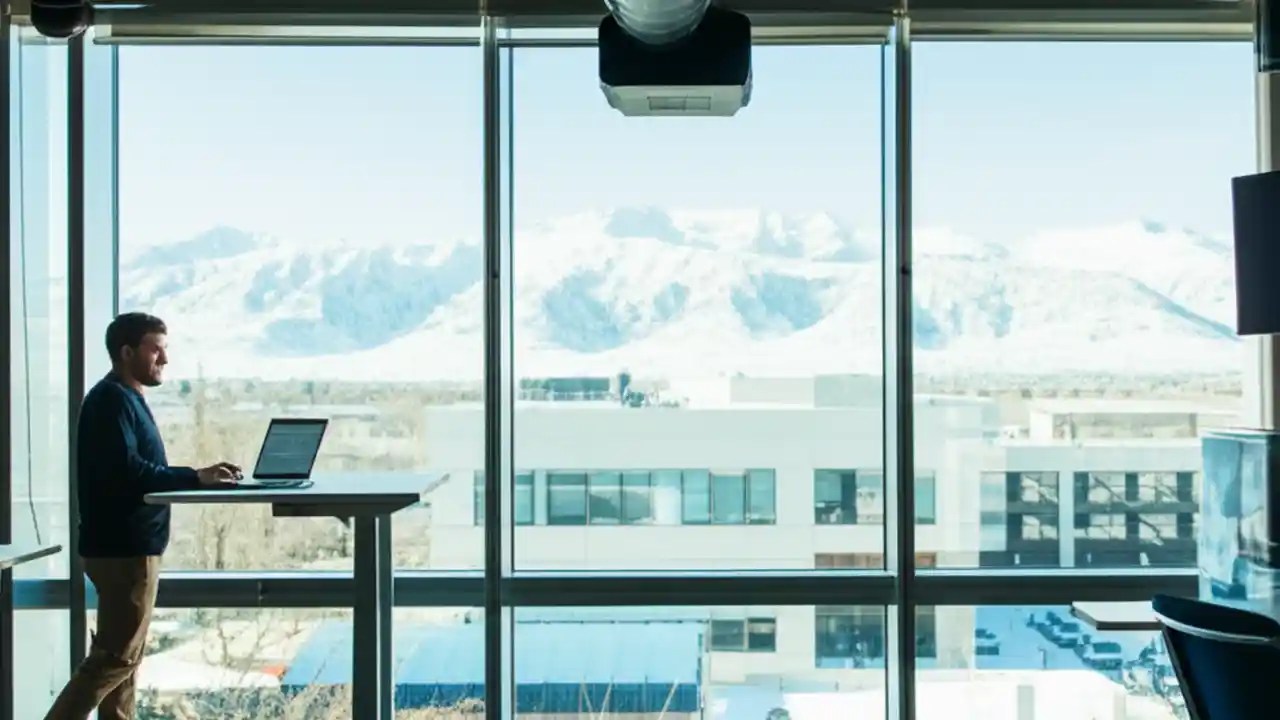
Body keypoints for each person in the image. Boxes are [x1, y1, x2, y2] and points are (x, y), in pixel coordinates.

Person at [45, 312, 241, 720]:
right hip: (125, 552)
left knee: (122, 664)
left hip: (125, 548)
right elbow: (129, 472)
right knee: (117, 659)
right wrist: (196, 476)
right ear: (127, 352)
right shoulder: (111, 400)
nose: (164, 359)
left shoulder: (123, 398)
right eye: (156, 349)